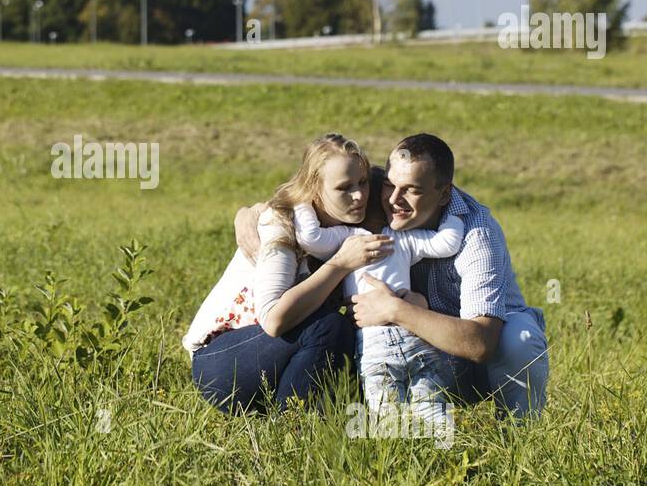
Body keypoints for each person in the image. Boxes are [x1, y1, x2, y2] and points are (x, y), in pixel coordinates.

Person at [236, 133, 550, 420]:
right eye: (390, 184)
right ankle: (370, 435)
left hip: (472, 359)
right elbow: (312, 188)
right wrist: (250, 216)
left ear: (443, 195)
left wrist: (398, 310)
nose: (394, 200)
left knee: (519, 337)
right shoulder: (372, 197)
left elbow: (480, 344)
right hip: (392, 348)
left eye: (411, 190)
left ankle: (518, 434)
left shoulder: (474, 231)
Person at [183, 133, 393, 413]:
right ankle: (292, 426)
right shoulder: (281, 224)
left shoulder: (347, 228)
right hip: (222, 364)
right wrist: (340, 264)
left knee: (349, 328)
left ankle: (329, 417)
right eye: (344, 188)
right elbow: (273, 320)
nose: (359, 195)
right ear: (315, 190)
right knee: (329, 325)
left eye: (363, 182)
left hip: (275, 362)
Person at [293, 191, 464, 431]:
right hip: (412, 331)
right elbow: (448, 243)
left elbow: (309, 237)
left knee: (387, 416)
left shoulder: (348, 238)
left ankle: (397, 460)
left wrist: (304, 201)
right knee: (430, 406)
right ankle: (444, 452)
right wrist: (453, 213)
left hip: (374, 341)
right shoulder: (403, 237)